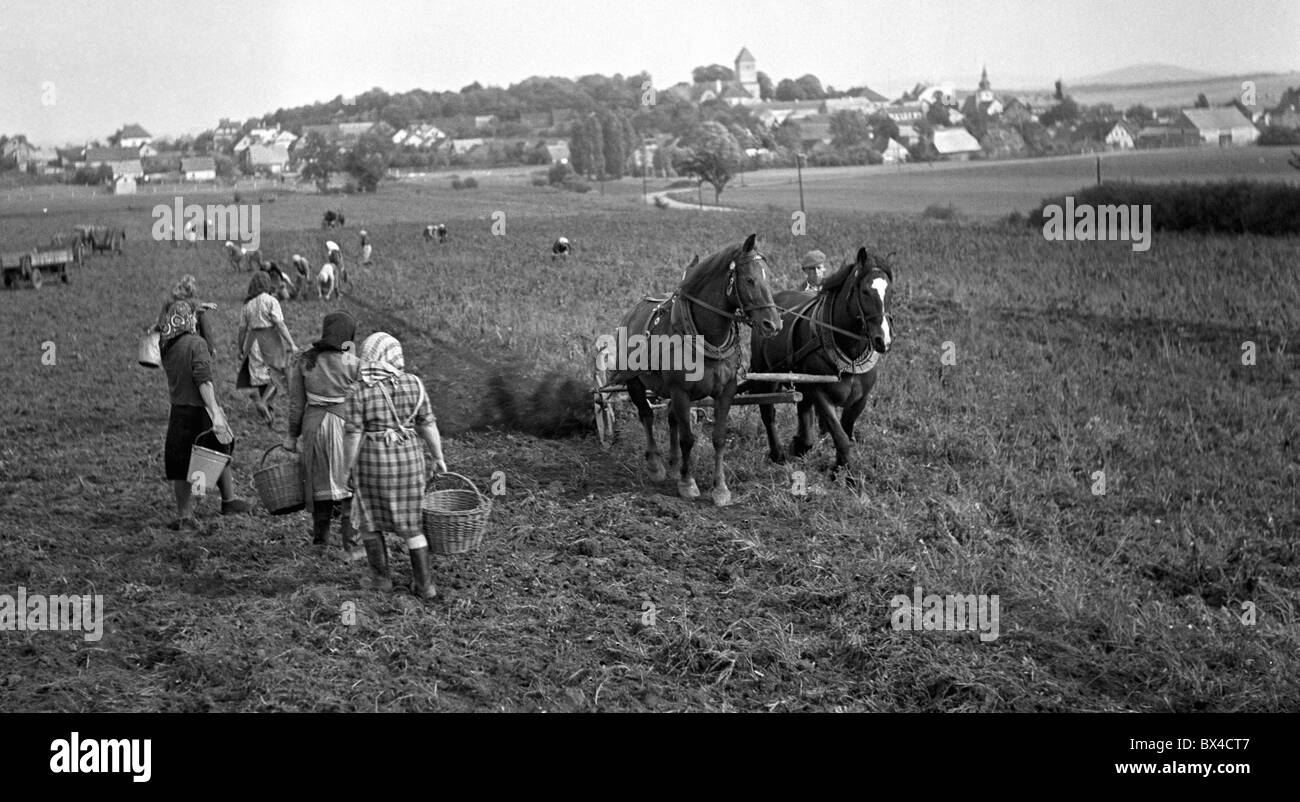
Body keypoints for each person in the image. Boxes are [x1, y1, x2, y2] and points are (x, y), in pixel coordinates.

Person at [343, 333, 447, 600]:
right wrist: (438, 457)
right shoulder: (415, 384)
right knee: (412, 525)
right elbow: (428, 423)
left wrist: (346, 469)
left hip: (373, 463)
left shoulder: (359, 390)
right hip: (411, 462)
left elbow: (353, 434)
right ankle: (425, 586)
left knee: (369, 522)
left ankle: (381, 579)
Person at [158, 300, 250, 530]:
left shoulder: (166, 347)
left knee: (181, 463)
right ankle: (227, 500)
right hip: (199, 410)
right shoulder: (197, 345)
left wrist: (193, 311)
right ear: (189, 321)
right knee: (218, 450)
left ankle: (184, 514)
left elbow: (177, 326)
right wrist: (215, 413)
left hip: (178, 410)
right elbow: (203, 381)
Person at [284, 312, 362, 557]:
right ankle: (351, 546)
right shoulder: (351, 361)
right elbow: (362, 395)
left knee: (319, 485)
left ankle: (320, 542)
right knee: (349, 485)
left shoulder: (306, 360)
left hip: (314, 427)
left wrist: (291, 435)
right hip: (345, 428)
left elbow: (296, 403)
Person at [237, 272, 298, 427]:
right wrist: (291, 343)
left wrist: (241, 348)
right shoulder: (271, 301)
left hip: (253, 341)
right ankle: (263, 402)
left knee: (260, 375)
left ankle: (262, 403)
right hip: (269, 339)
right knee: (278, 375)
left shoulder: (248, 305)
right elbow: (280, 324)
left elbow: (242, 330)